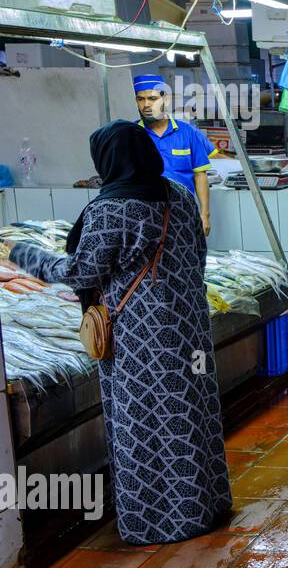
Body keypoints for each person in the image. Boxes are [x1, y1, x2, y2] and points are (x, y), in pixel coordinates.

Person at [11, 122, 230, 544]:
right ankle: (206, 505)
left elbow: (80, 272)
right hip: (189, 328)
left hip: (139, 340)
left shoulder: (110, 210)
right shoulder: (179, 195)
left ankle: (158, 522)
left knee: (143, 424)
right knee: (192, 415)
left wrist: (25, 254)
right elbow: (197, 254)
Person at [132, 74, 216, 235]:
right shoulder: (131, 134)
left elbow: (200, 175)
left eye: (152, 98)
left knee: (184, 256)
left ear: (166, 100)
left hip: (183, 213)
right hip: (144, 214)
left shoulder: (188, 133)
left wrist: (204, 215)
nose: (146, 105)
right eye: (140, 99)